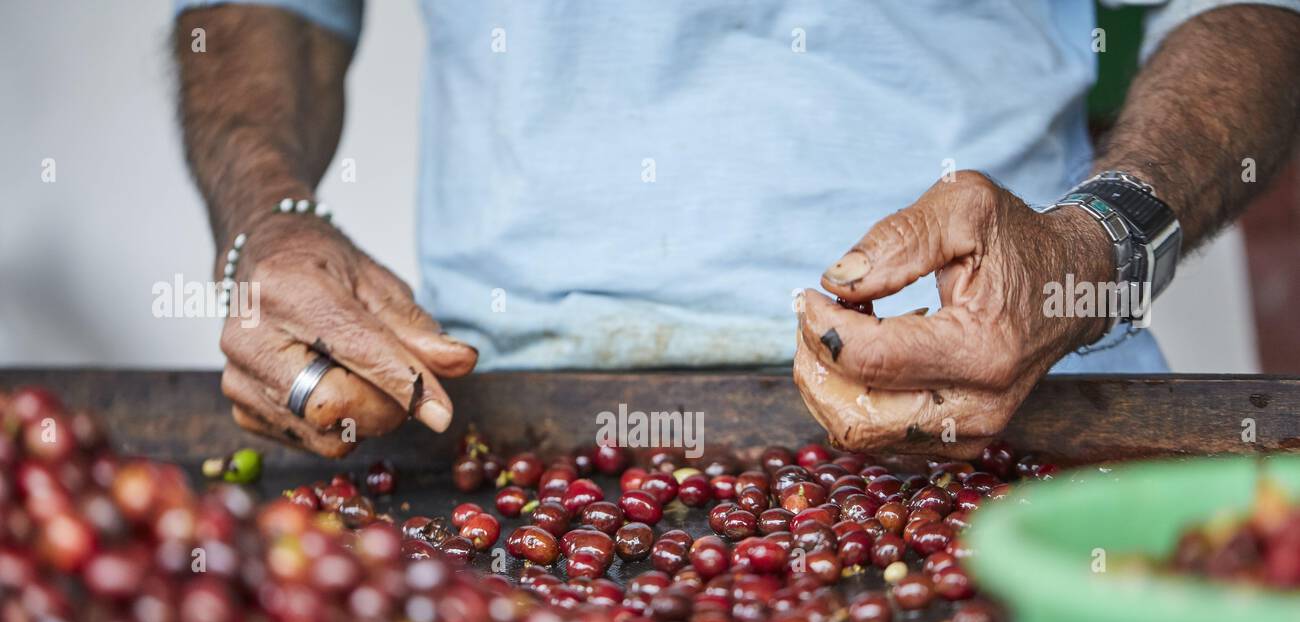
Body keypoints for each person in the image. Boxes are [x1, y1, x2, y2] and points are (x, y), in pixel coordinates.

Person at [174, 0, 1300, 459]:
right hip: (503, 419)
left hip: (1019, 393)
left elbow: (1254, 15)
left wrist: (1094, 243)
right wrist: (267, 225)